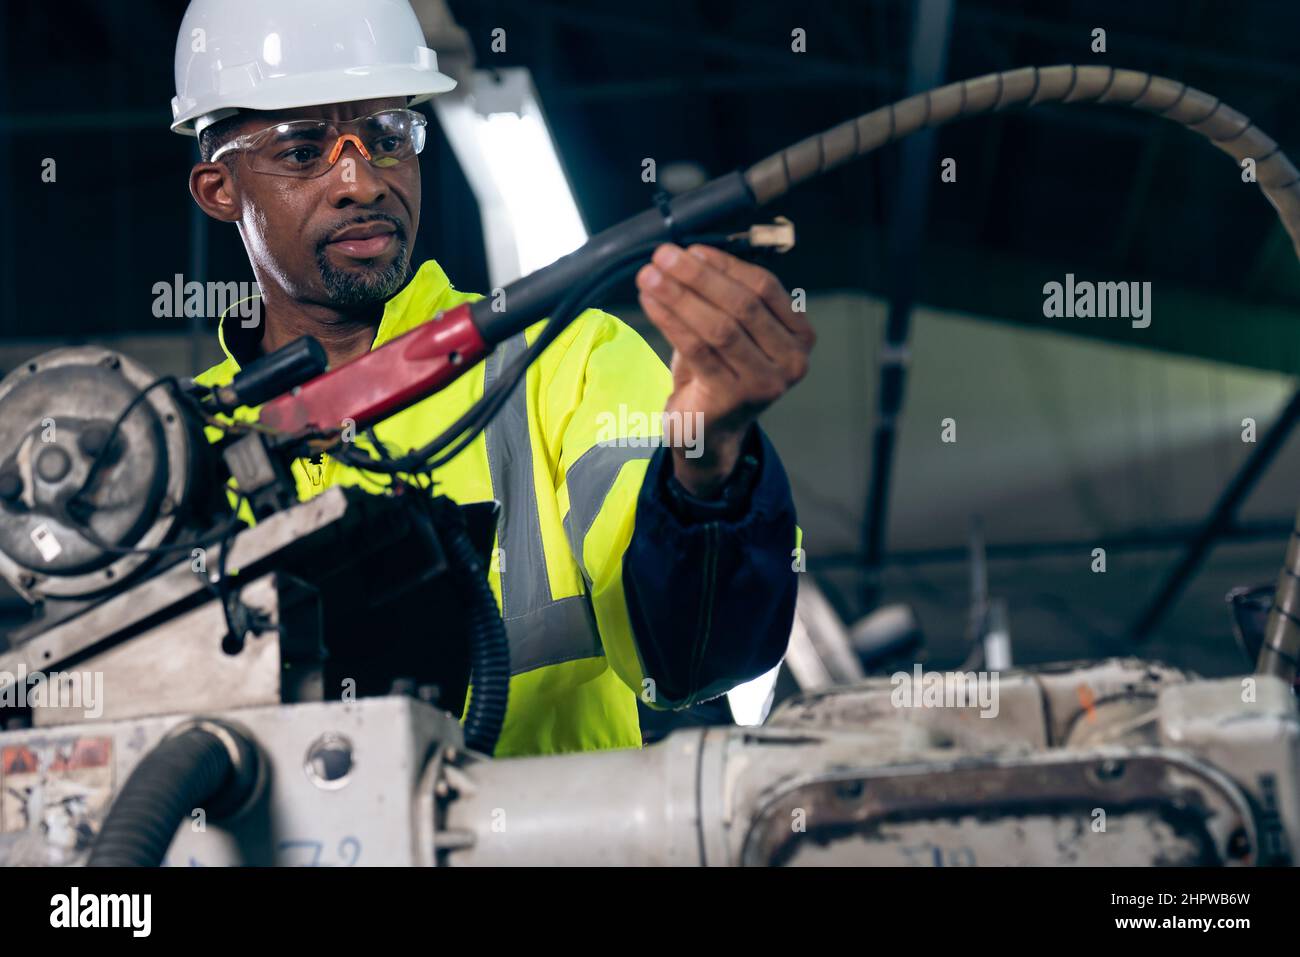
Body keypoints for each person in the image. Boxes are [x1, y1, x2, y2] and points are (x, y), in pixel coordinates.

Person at [176, 0, 814, 756]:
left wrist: (711, 460)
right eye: (303, 149)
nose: (362, 181)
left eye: (386, 136)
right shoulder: (179, 450)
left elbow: (690, 659)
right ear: (221, 190)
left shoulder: (566, 359)